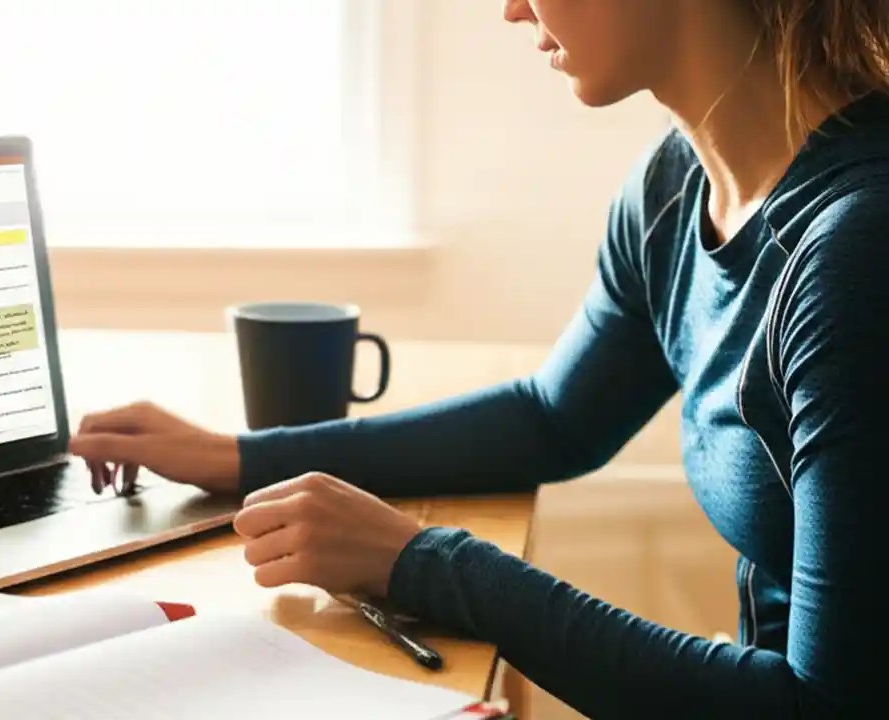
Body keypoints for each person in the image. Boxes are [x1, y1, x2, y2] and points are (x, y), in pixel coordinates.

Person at [70, 1, 888, 716]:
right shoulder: (675, 191)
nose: (511, 9)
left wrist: (423, 562)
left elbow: (824, 707)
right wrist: (236, 457)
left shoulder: (857, 252)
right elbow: (552, 420)